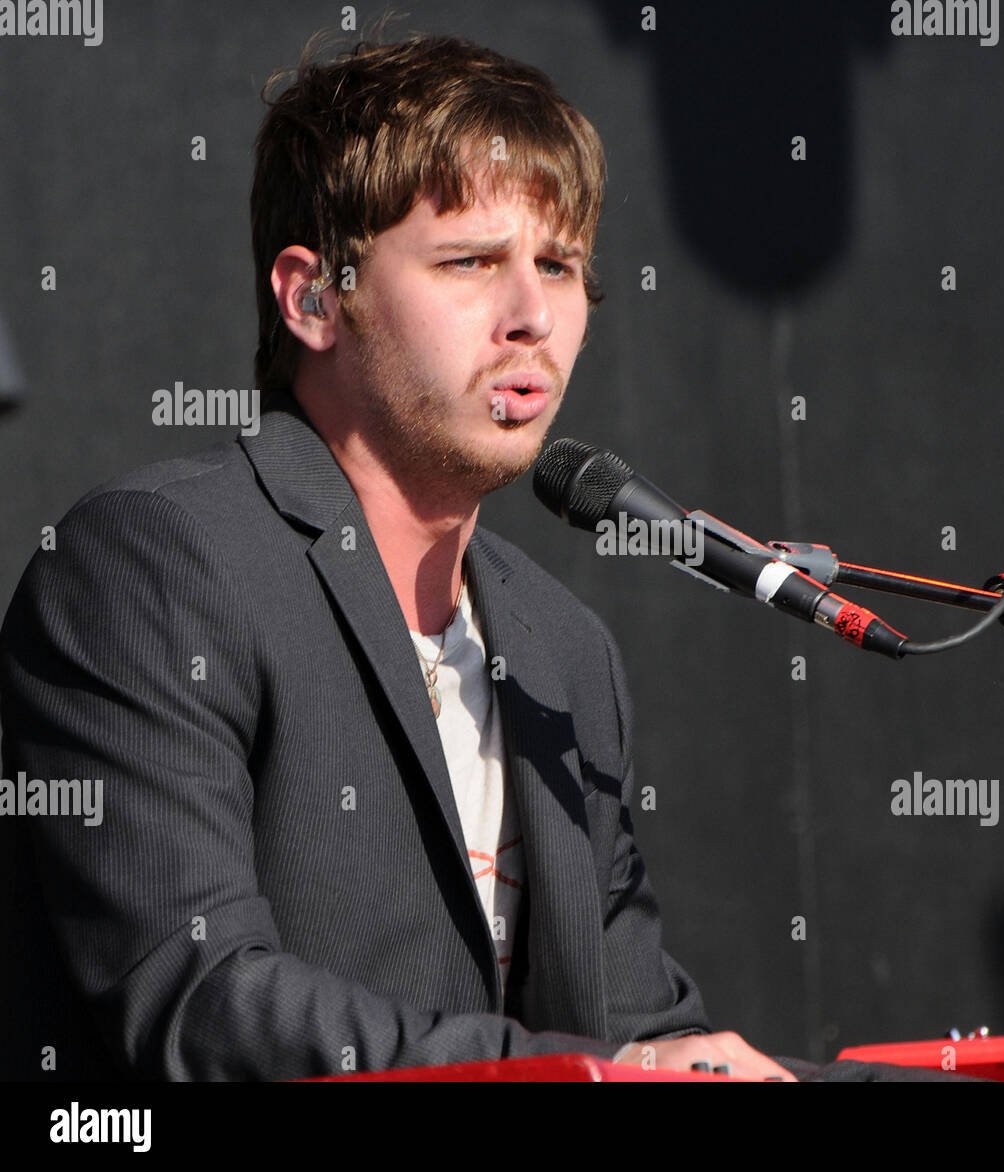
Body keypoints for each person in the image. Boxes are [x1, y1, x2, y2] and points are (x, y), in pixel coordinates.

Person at [0, 32, 796, 1082]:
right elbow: (200, 1000)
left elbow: (645, 1030)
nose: (532, 318)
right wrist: (596, 1073)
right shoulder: (152, 561)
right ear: (313, 298)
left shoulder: (564, 646)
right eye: (470, 261)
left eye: (558, 266)